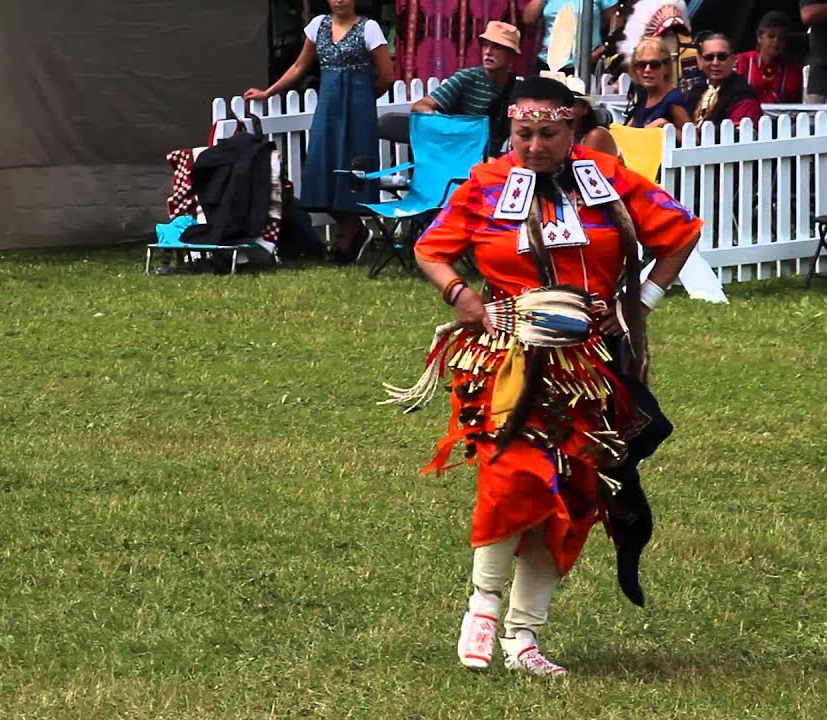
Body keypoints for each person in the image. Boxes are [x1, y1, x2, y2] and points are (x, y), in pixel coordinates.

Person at [399, 76, 701, 676]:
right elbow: (430, 248)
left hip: (589, 369)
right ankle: (483, 608)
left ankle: (525, 636)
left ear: (573, 130)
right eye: (522, 134)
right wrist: (458, 292)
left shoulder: (606, 179)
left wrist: (639, 301)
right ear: (508, 130)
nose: (534, 146)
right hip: (506, 360)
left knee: (572, 496)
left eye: (549, 134)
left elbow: (680, 232)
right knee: (514, 479)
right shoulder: (485, 185)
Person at [243, 0, 395, 265]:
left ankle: (348, 239)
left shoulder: (369, 29)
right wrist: (268, 93)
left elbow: (386, 76)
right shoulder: (317, 26)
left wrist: (363, 99)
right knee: (322, 168)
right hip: (328, 109)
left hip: (358, 110)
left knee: (353, 170)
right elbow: (299, 67)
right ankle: (355, 230)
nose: (340, 0)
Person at [411, 21, 522, 158]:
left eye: (497, 47)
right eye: (485, 45)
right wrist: (453, 127)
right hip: (457, 155)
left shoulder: (517, 89)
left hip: (492, 159)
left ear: (511, 54)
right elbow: (420, 106)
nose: (488, 52)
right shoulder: (467, 78)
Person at [686, 33, 764, 128]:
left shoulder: (742, 95)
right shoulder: (696, 90)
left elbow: (739, 134)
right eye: (709, 57)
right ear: (700, 60)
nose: (715, 63)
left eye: (722, 57)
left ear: (733, 59)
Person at [523, 0, 619, 73]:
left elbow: (617, 24)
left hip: (587, 63)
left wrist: (601, 50)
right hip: (548, 61)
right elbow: (528, 19)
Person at [735, 11, 804, 104]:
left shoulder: (794, 71)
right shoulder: (740, 62)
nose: (776, 41)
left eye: (781, 38)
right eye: (771, 36)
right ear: (759, 37)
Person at [623, 37, 690, 129]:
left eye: (654, 65)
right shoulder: (643, 95)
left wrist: (666, 126)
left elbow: (693, 139)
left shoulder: (673, 100)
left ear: (666, 67)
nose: (647, 70)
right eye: (642, 65)